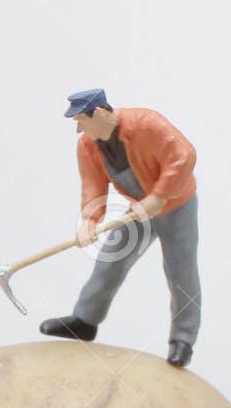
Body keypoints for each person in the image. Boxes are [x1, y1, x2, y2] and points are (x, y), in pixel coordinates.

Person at [39, 88, 201, 368]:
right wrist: (89, 219)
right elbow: (92, 184)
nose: (78, 128)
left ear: (100, 113)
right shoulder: (88, 145)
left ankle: (183, 340)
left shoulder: (146, 123)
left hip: (176, 205)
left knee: (180, 271)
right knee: (110, 260)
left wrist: (159, 196)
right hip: (138, 210)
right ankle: (85, 320)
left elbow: (184, 156)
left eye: (81, 120)